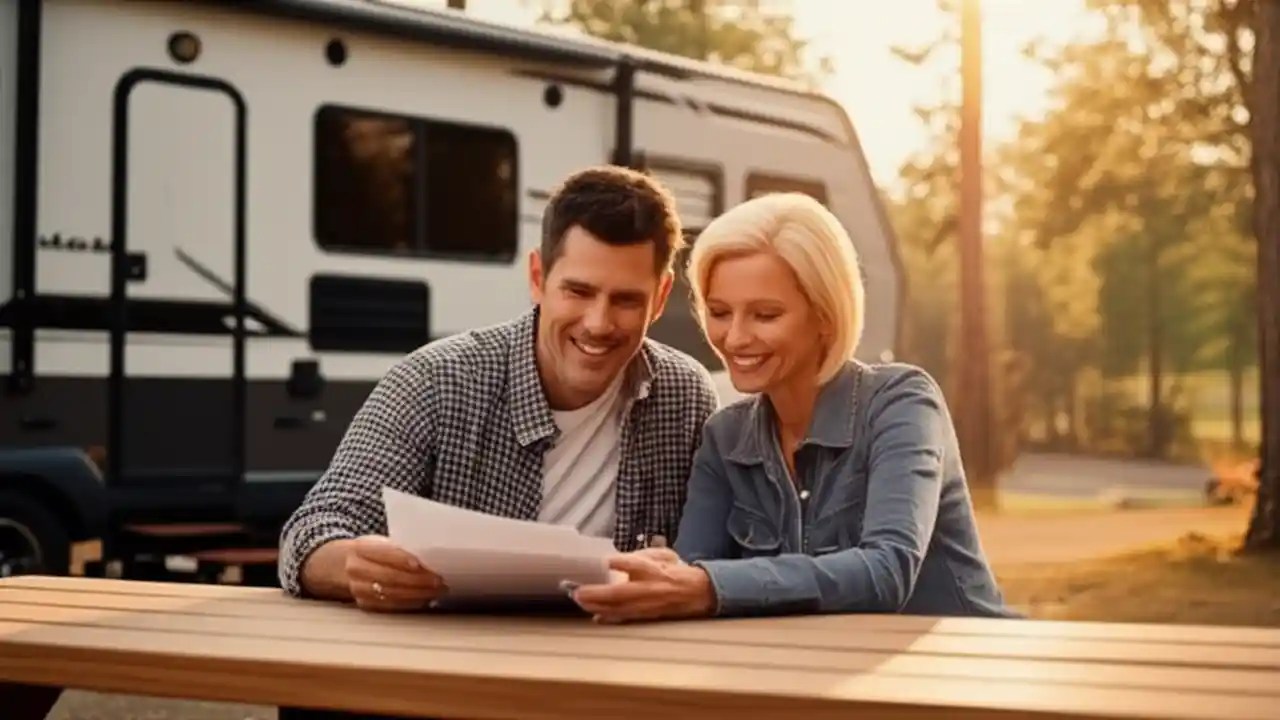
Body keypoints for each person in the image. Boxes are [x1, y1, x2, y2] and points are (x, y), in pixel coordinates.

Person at [276, 165, 719, 612]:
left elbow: (716, 558)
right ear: (537, 277)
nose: (598, 323)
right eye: (578, 292)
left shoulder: (684, 397)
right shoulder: (435, 381)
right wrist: (356, 566)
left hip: (613, 664)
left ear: (661, 298)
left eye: (626, 300)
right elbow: (311, 532)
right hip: (454, 665)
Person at [569, 192, 1016, 623]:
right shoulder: (725, 438)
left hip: (966, 672)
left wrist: (708, 586)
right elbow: (689, 579)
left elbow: (887, 571)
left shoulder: (901, 403)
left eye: (765, 315)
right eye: (720, 312)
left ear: (824, 315)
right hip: (818, 677)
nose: (736, 338)